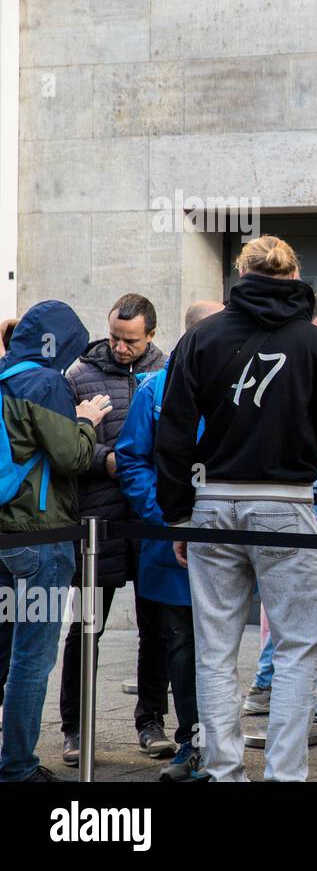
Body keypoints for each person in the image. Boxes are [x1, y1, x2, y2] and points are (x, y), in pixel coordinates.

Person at [155, 235, 317, 782]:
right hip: (286, 502)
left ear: (241, 274)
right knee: (296, 647)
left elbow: (171, 430)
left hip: (214, 500)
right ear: (295, 276)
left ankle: (223, 771)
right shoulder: (315, 344)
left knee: (215, 647)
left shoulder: (201, 337)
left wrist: (177, 513)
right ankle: (285, 775)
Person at [57, 294, 170, 768]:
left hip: (148, 520)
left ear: (150, 335)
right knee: (86, 628)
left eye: (131, 341)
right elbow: (65, 447)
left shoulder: (169, 371)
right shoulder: (78, 375)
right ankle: (74, 729)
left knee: (157, 628)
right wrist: (108, 460)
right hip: (94, 524)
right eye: (115, 338)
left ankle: (151, 721)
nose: (120, 348)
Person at [0, 301, 111, 782]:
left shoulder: (5, 376)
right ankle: (19, 766)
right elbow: (72, 457)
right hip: (40, 538)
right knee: (32, 658)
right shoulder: (46, 383)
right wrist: (86, 420)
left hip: (4, 537)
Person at [116, 299, 224, 781]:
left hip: (227, 535)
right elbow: (133, 458)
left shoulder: (238, 387)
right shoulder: (155, 389)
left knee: (217, 643)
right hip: (171, 541)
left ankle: (221, 740)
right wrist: (164, 516)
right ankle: (191, 741)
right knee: (181, 641)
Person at [246, 290, 317, 727]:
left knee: (290, 606)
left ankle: (271, 683)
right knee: (312, 607)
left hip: (294, 494)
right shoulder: (314, 358)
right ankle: (288, 688)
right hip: (310, 496)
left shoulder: (288, 357)